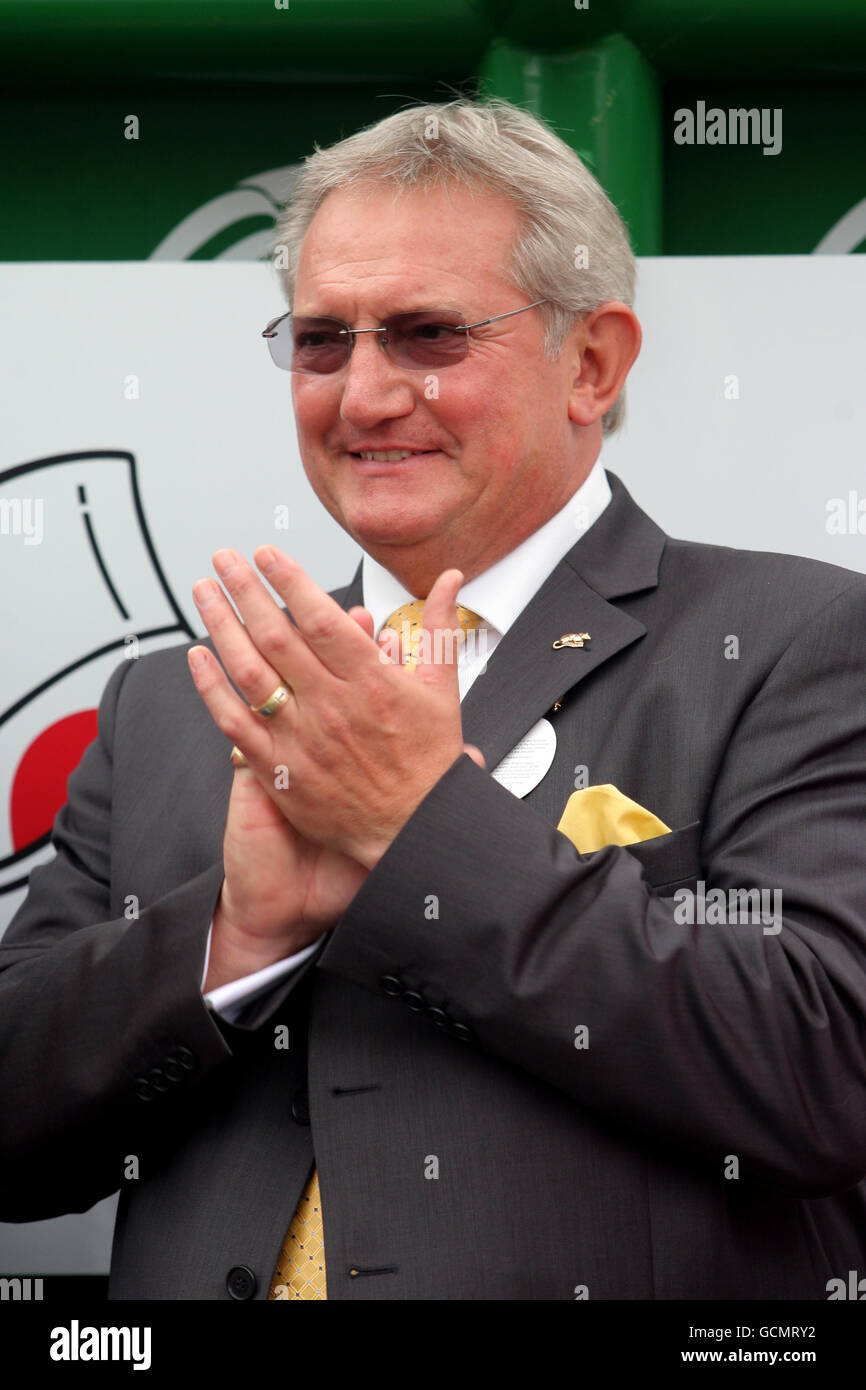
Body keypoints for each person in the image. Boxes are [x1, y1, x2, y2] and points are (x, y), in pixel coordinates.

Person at [2, 98, 866, 1302]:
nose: (360, 396)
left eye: (426, 335)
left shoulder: (800, 640)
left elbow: (824, 1073)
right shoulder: (171, 702)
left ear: (592, 361)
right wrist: (234, 941)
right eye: (320, 341)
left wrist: (419, 833)